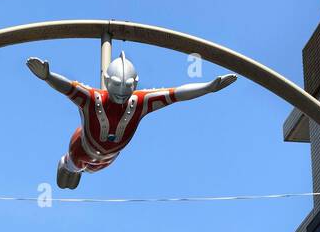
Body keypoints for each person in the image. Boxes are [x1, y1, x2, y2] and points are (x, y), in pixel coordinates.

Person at [27, 50, 237, 188]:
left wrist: (208, 88)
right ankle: (66, 164)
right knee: (68, 179)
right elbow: (67, 87)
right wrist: (48, 76)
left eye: (127, 88)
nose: (121, 93)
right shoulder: (91, 98)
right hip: (82, 149)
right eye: (117, 86)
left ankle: (75, 168)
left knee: (79, 177)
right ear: (108, 82)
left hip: (109, 158)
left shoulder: (141, 102)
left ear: (135, 84)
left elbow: (177, 94)